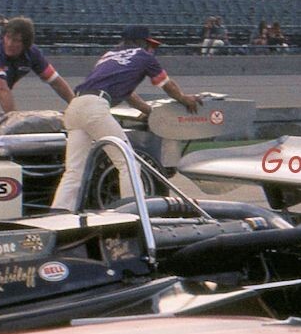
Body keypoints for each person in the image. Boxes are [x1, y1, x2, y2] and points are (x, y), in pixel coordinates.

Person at [51, 25, 201, 212]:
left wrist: (150, 111)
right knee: (127, 162)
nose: (150, 48)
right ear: (140, 42)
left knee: (74, 171)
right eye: (148, 44)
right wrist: (184, 99)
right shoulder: (144, 56)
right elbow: (166, 84)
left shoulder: (107, 56)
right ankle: (134, 212)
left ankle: (59, 212)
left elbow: (129, 95)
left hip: (75, 107)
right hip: (95, 107)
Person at [0, 16, 74, 131]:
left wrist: (76, 105)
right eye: (7, 37)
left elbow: (56, 82)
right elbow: (2, 89)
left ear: (26, 44)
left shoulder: (33, 53)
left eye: (16, 40)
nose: (9, 43)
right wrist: (15, 121)